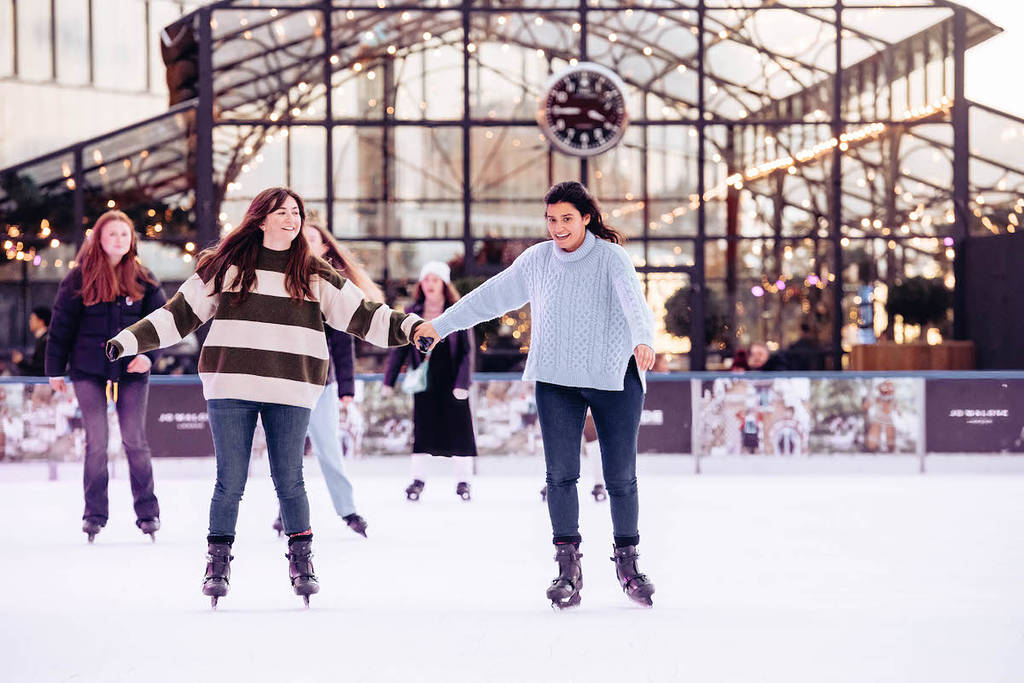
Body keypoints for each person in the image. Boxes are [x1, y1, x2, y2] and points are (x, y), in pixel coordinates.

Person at [105, 187, 423, 608]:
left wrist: (412, 327)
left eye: (297, 212)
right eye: (283, 212)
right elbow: (178, 315)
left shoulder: (313, 272)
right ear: (260, 219)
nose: (293, 219)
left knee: (289, 479)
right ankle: (217, 565)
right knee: (229, 481)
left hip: (290, 389)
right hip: (231, 387)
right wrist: (129, 340)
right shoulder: (227, 266)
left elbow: (364, 315)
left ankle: (301, 561)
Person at [412, 181, 657, 609]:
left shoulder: (610, 257)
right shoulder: (537, 260)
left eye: (567, 219)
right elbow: (489, 298)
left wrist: (644, 339)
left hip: (615, 375)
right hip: (557, 378)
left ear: (586, 218)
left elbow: (633, 302)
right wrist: (441, 324)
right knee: (560, 475)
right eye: (551, 220)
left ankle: (628, 562)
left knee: (620, 476)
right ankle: (568, 568)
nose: (558, 228)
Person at [45, 210, 166, 543]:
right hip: (88, 370)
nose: (118, 240)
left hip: (131, 370)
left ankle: (148, 512)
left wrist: (148, 356)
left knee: (134, 440)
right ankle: (94, 514)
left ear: (132, 241)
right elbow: (60, 328)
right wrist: (54, 369)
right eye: (111, 234)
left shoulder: (145, 279)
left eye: (124, 235)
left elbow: (163, 324)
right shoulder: (79, 278)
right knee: (96, 442)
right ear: (98, 238)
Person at [267, 215, 376, 538]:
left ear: (325, 246)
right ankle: (284, 512)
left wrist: (346, 389)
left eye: (313, 238)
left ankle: (348, 510)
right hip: (284, 384)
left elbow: (343, 343)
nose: (307, 242)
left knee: (328, 448)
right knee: (287, 453)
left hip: (320, 384)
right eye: (303, 237)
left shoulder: (332, 287)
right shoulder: (279, 279)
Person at [383, 261, 478, 501]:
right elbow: (399, 350)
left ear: (444, 284)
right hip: (424, 381)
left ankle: (463, 481)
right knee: (423, 430)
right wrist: (388, 381)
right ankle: (418, 480)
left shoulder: (458, 310)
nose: (430, 284)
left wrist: (463, 383)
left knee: (460, 430)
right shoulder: (412, 312)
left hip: (453, 380)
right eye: (426, 279)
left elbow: (468, 351)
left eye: (435, 280)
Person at [13, 306, 50, 376]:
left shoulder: (46, 340)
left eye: (32, 319)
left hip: (44, 383)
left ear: (41, 322)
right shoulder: (42, 338)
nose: (30, 322)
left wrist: (21, 362)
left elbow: (41, 368)